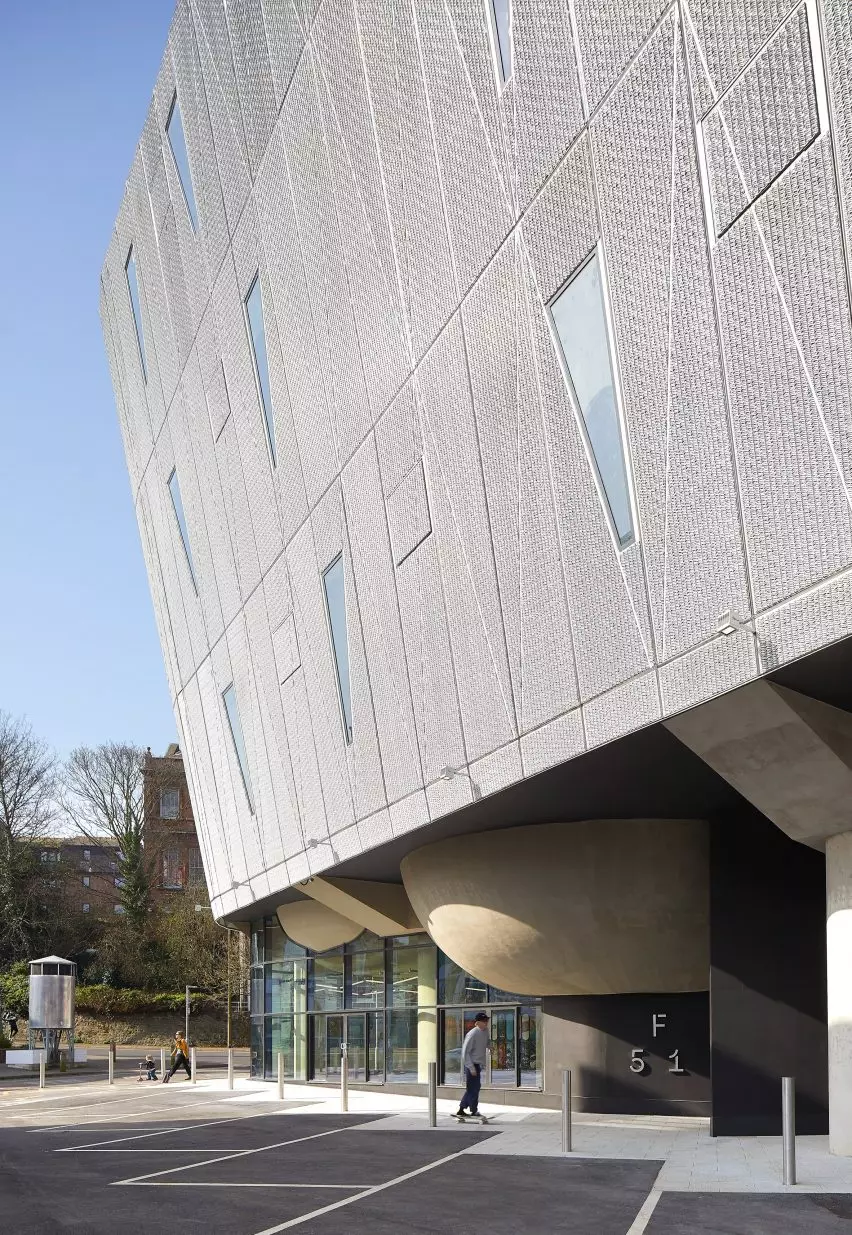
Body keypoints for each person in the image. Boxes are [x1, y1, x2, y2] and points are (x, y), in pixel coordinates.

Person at [455, 1012, 489, 1120]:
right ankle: (473, 1111)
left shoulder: (486, 1031)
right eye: (484, 1021)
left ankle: (461, 1109)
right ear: (477, 1023)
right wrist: (471, 1067)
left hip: (477, 1064)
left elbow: (486, 1042)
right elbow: (465, 1052)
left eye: (487, 1021)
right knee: (473, 1089)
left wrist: (490, 1046)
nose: (486, 1023)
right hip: (471, 1065)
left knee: (473, 1088)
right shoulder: (472, 1034)